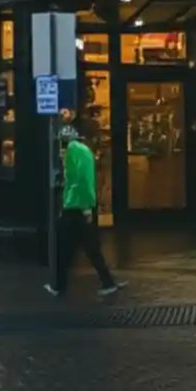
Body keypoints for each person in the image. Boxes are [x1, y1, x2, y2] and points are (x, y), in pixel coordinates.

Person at [45, 108, 125, 298]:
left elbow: (75, 179)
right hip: (83, 205)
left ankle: (59, 286)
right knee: (90, 248)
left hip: (74, 205)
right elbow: (88, 179)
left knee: (63, 248)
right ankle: (107, 282)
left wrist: (71, 203)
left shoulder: (73, 151)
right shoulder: (86, 151)